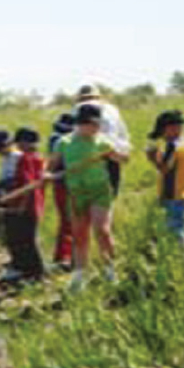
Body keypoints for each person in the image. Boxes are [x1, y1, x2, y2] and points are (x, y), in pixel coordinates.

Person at [51, 105, 129, 289]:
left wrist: (120, 155)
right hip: (77, 192)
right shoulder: (63, 142)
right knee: (79, 234)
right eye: (92, 125)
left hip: (99, 190)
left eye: (97, 125)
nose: (96, 129)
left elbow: (122, 159)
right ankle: (79, 275)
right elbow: (51, 165)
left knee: (101, 230)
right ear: (81, 124)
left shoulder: (103, 142)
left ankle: (110, 271)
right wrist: (49, 175)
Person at [71, 84, 131, 197]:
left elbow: (71, 135)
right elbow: (123, 133)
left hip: (87, 155)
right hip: (112, 153)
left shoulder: (77, 109)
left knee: (88, 197)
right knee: (110, 194)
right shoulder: (112, 109)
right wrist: (124, 152)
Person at [145, 110, 184, 249]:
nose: (163, 138)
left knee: (175, 231)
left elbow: (165, 169)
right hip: (183, 193)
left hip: (173, 196)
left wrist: (153, 157)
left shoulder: (173, 146)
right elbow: (173, 164)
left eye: (162, 133)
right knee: (177, 227)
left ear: (171, 128)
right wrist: (160, 154)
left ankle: (182, 261)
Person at [4, 127, 46, 280]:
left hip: (27, 204)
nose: (18, 147)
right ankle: (31, 271)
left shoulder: (26, 159)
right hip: (36, 203)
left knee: (26, 240)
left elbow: (27, 184)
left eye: (20, 143)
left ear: (26, 143)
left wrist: (20, 204)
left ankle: (35, 273)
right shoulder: (39, 157)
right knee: (29, 238)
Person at [0, 130, 22, 276]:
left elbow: (20, 180)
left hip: (19, 200)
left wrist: (3, 184)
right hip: (6, 201)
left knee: (18, 234)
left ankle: (20, 263)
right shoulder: (5, 159)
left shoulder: (18, 157)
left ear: (8, 144)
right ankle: (14, 260)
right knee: (9, 233)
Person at [48, 114, 76, 269]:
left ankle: (65, 257)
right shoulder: (58, 141)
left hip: (66, 183)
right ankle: (64, 257)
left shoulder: (58, 140)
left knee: (69, 221)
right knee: (67, 221)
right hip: (63, 183)